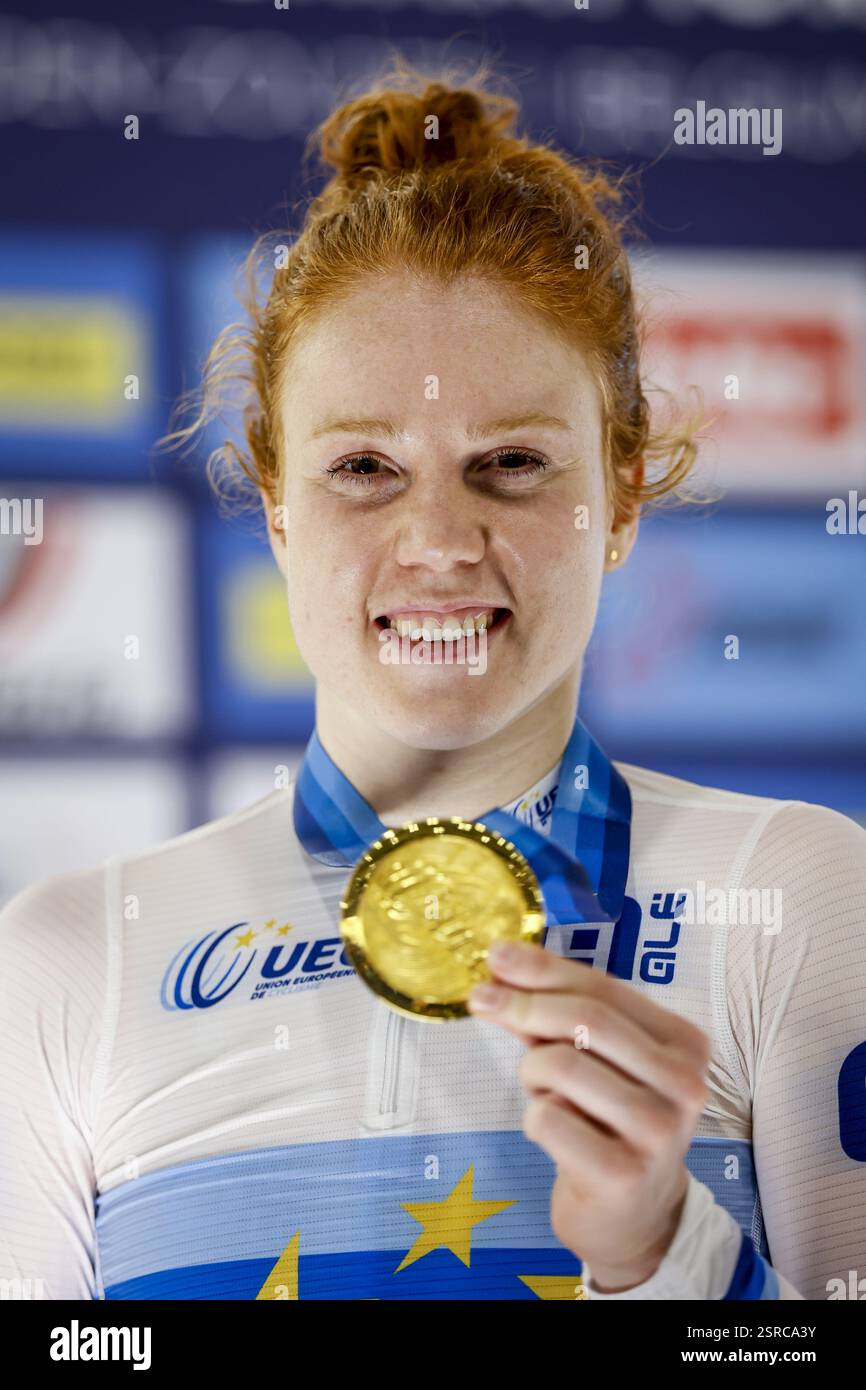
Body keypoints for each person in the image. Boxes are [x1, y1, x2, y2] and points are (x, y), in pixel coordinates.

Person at [1, 60, 864, 1302]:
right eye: (363, 467)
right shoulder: (64, 960)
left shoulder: (787, 894)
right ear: (275, 497)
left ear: (618, 493)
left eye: (510, 461)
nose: (442, 543)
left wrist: (669, 1257)